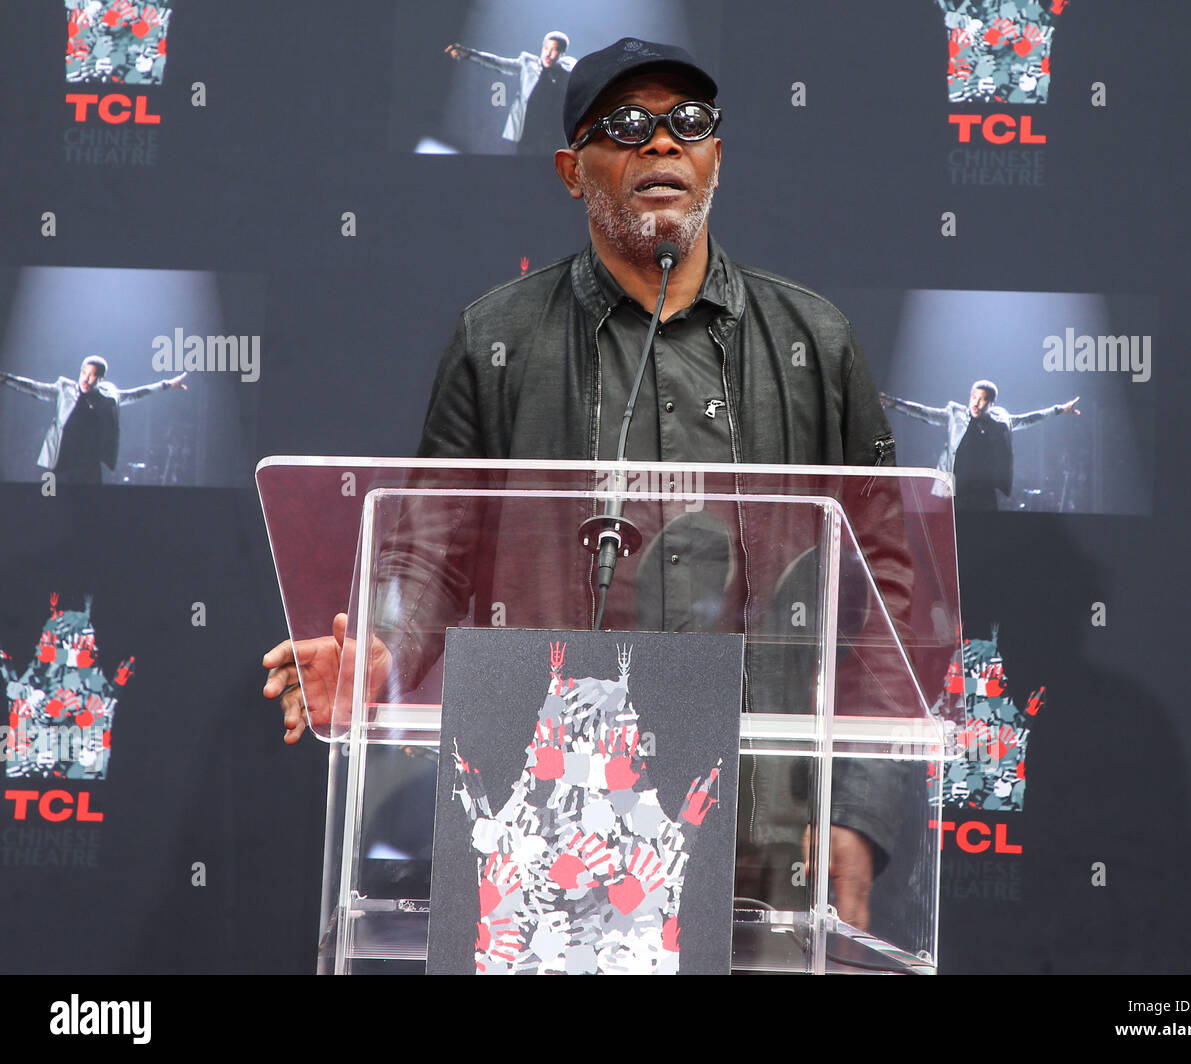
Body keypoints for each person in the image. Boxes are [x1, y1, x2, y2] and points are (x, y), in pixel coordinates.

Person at [265, 38, 912, 932]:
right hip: (547, 823)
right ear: (574, 170)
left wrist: (863, 808)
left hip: (765, 829)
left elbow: (885, 592)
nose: (661, 145)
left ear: (715, 157)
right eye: (627, 126)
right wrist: (383, 650)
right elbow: (430, 553)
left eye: (688, 124)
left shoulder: (817, 341)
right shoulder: (497, 341)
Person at [881, 380, 1080, 510]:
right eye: (973, 398)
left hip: (983, 491)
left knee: (984, 532)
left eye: (982, 400)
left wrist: (1060, 409)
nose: (976, 403)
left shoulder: (1001, 422)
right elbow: (925, 412)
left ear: (992, 403)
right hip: (954, 490)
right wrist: (894, 403)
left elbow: (1029, 419)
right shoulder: (955, 416)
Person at [0, 357, 188, 484]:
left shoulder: (109, 398)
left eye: (92, 375)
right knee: (48, 503)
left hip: (87, 467)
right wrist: (6, 379)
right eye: (84, 373)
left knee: (87, 508)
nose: (86, 379)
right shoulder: (65, 389)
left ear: (101, 378)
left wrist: (167, 385)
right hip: (56, 465)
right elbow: (35, 388)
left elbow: (137, 393)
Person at [444, 32, 576, 153]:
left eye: (554, 50)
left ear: (562, 53)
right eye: (546, 48)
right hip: (526, 131)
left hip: (551, 134)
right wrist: (471, 54)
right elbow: (499, 63)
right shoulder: (528, 63)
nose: (548, 54)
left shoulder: (568, 72)